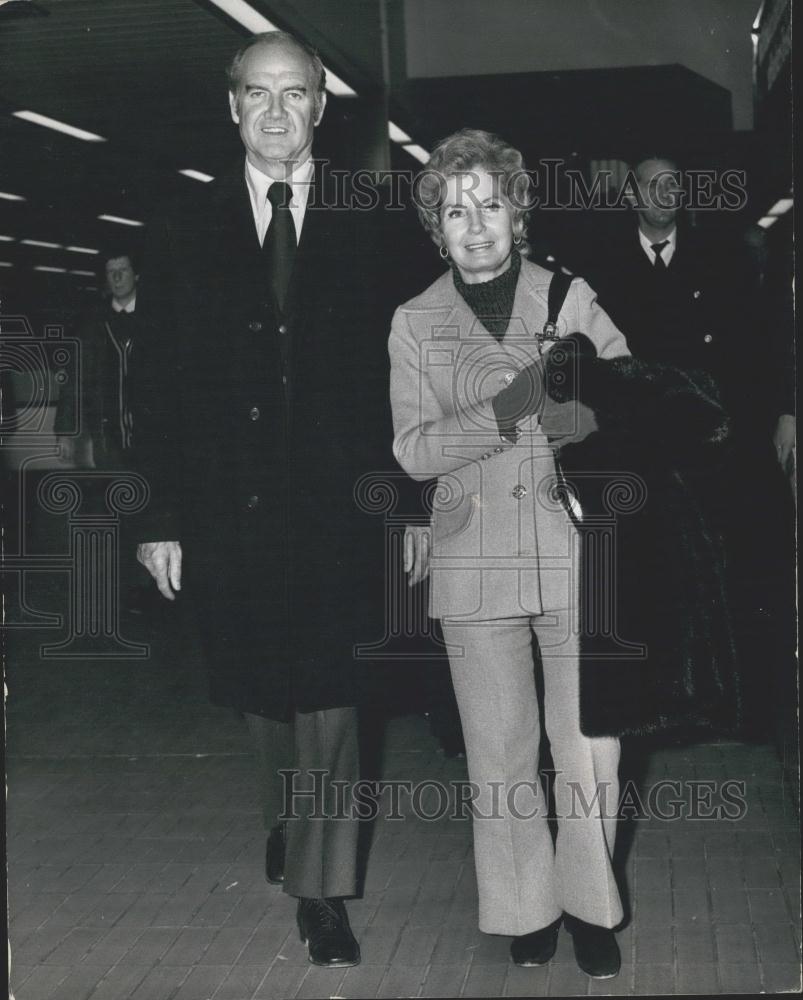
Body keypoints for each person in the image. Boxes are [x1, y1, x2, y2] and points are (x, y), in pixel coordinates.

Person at [132, 30, 397, 968]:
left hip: (340, 510)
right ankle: (287, 820)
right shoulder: (181, 228)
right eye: (260, 94)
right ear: (231, 105)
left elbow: (410, 379)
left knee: (329, 694)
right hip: (227, 508)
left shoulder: (377, 219)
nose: (278, 113)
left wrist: (404, 508)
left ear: (323, 108)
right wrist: (160, 517)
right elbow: (155, 385)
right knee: (264, 697)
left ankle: (321, 894)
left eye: (297, 95)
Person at [389, 128, 632, 979]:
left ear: (517, 212)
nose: (476, 224)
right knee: (497, 751)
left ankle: (590, 905)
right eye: (456, 211)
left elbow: (628, 397)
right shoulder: (413, 321)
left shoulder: (566, 297)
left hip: (573, 554)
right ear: (436, 227)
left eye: (490, 204)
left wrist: (575, 412)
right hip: (473, 561)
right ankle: (524, 908)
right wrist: (507, 409)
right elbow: (413, 451)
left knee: (585, 745)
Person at [583, 155, 795, 742]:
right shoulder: (602, 266)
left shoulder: (719, 258)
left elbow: (755, 341)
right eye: (654, 183)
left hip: (711, 438)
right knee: (649, 572)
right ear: (631, 196)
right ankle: (657, 706)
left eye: (674, 182)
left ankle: (728, 701)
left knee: (723, 567)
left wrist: (780, 411)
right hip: (636, 440)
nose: (667, 192)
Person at [55, 250, 139, 469]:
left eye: (123, 270)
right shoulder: (92, 324)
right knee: (116, 497)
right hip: (107, 438)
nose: (117, 277)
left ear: (136, 275)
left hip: (152, 436)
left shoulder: (157, 320)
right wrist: (65, 432)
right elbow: (75, 378)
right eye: (111, 272)